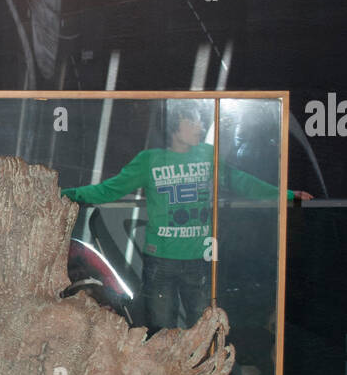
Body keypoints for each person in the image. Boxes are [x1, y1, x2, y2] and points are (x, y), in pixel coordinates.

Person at [62, 100, 312, 330]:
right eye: (192, 120)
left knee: (200, 331)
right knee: (162, 331)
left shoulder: (206, 155)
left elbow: (242, 181)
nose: (200, 125)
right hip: (160, 262)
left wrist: (288, 195)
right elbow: (108, 190)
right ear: (175, 126)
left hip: (197, 260)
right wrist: (65, 193)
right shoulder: (150, 161)